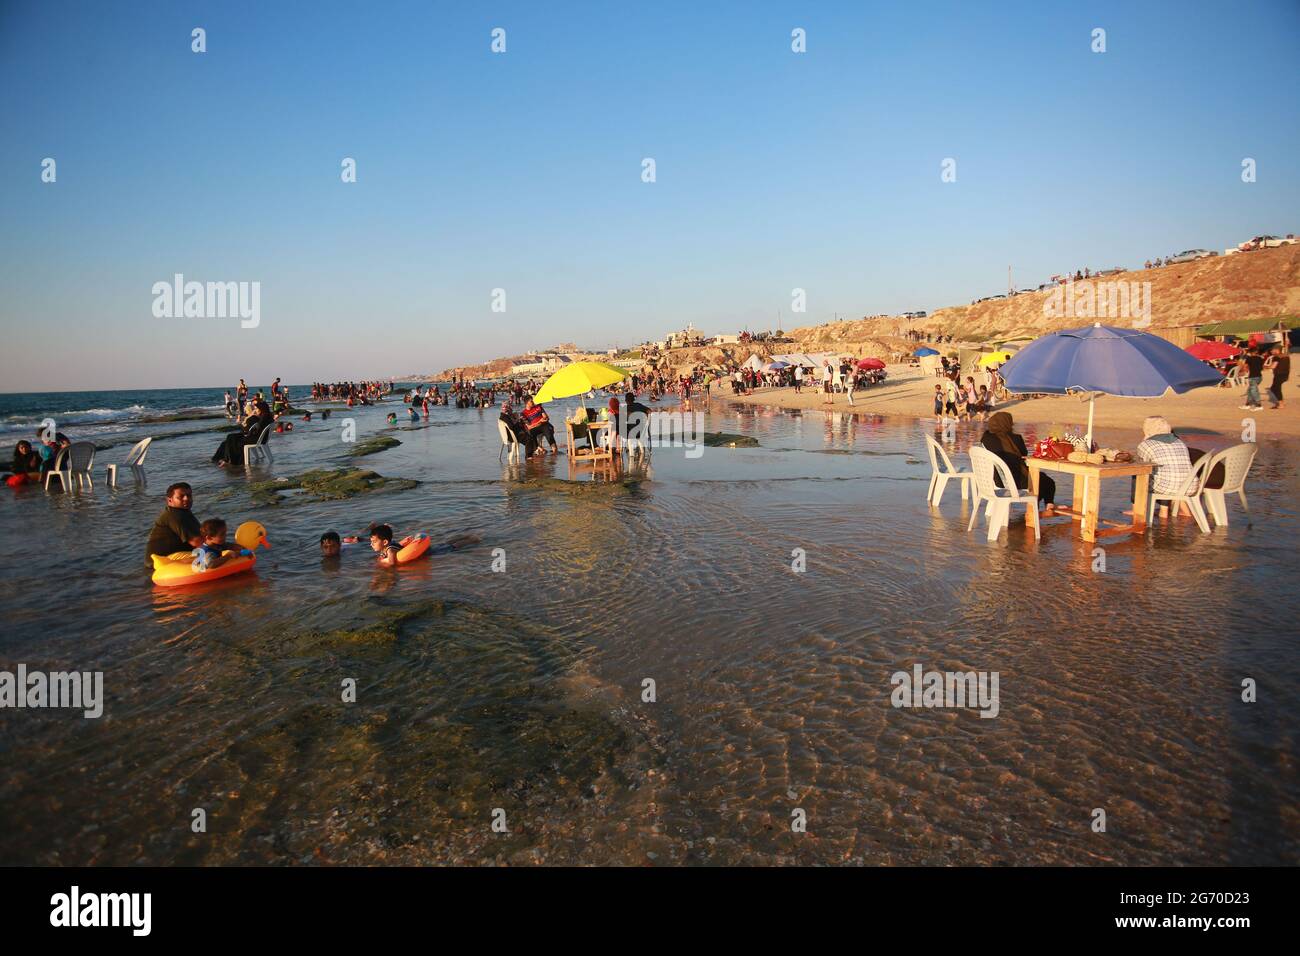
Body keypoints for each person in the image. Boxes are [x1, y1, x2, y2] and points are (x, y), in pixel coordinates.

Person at [980, 412, 1056, 514]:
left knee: (1041, 478)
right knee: (1046, 481)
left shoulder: (985, 438)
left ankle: (1037, 509)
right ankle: (1037, 511)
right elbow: (1024, 454)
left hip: (994, 480)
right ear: (1007, 423)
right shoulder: (1016, 438)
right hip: (1012, 481)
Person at [1134, 416, 1192, 515]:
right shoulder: (1180, 442)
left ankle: (1137, 509)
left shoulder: (1147, 444)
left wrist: (1145, 440)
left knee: (1138, 473)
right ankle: (1165, 511)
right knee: (1163, 472)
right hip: (1190, 486)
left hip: (1166, 487)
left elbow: (1141, 465)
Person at [146, 482, 202, 564]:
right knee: (211, 553)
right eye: (181, 497)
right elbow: (196, 541)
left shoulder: (183, 512)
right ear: (169, 500)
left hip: (177, 554)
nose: (186, 498)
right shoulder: (173, 515)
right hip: (163, 561)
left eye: (189, 495)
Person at [212, 398, 272, 466]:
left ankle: (230, 461)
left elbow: (256, 429)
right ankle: (225, 459)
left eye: (257, 408)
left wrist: (251, 418)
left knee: (232, 439)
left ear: (262, 409)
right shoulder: (266, 416)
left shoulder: (264, 417)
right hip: (258, 438)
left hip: (256, 439)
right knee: (229, 438)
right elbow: (256, 428)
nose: (256, 410)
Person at [1266, 345, 1289, 409]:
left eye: (1272, 350)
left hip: (1279, 374)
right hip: (1285, 374)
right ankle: (1281, 402)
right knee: (1277, 388)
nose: (1271, 351)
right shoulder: (1286, 356)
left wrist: (1265, 367)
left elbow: (1273, 366)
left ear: (1277, 350)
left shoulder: (1276, 357)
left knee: (1274, 388)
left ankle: (1281, 404)